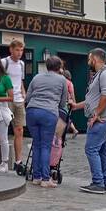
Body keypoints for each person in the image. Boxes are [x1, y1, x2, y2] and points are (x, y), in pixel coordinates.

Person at [23, 56, 70, 188]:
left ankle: (36, 177)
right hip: (49, 112)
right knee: (45, 146)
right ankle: (45, 178)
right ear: (59, 67)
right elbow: (62, 101)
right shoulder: (62, 80)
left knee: (36, 144)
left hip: (32, 111)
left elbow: (28, 96)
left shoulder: (37, 77)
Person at [78, 48, 106, 194]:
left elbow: (105, 96)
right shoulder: (100, 74)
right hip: (104, 118)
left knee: (91, 149)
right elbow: (93, 98)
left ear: (95, 59)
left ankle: (98, 183)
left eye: (89, 59)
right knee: (102, 151)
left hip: (102, 119)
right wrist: (77, 106)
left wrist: (96, 114)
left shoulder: (105, 74)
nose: (88, 62)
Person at [3, 40, 29, 175]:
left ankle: (18, 161)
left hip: (19, 100)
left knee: (19, 130)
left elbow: (20, 81)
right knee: (3, 128)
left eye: (21, 50)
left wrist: (23, 94)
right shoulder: (4, 62)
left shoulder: (22, 64)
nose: (20, 53)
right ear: (11, 50)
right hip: (8, 99)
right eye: (17, 50)